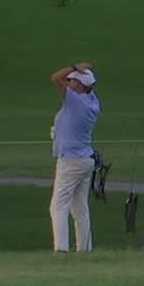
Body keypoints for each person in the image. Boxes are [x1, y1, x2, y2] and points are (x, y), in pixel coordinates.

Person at [48, 61, 101, 253]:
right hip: (85, 159)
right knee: (80, 208)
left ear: (80, 86)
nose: (68, 83)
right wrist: (82, 72)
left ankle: (61, 248)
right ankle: (85, 248)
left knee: (58, 206)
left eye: (72, 81)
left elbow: (55, 78)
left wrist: (72, 67)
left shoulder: (76, 102)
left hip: (70, 160)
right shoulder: (92, 101)